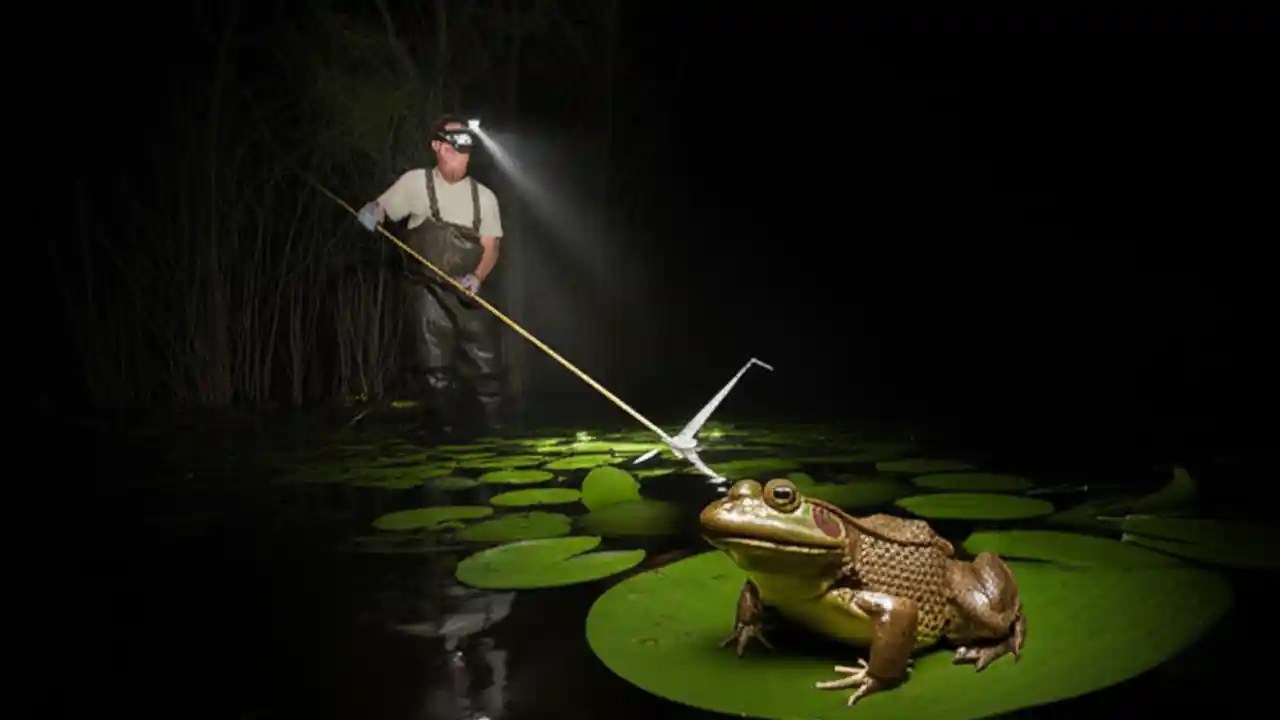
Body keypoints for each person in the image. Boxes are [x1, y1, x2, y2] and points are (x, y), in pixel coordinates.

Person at [356, 114, 506, 436]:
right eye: (452, 150)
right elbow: (383, 207)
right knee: (434, 370)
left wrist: (478, 277)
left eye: (465, 152)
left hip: (470, 292)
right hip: (427, 292)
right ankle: (444, 433)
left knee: (487, 368)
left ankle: (494, 433)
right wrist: (373, 212)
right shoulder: (414, 183)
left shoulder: (485, 197)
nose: (459, 158)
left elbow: (491, 247)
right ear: (437, 146)